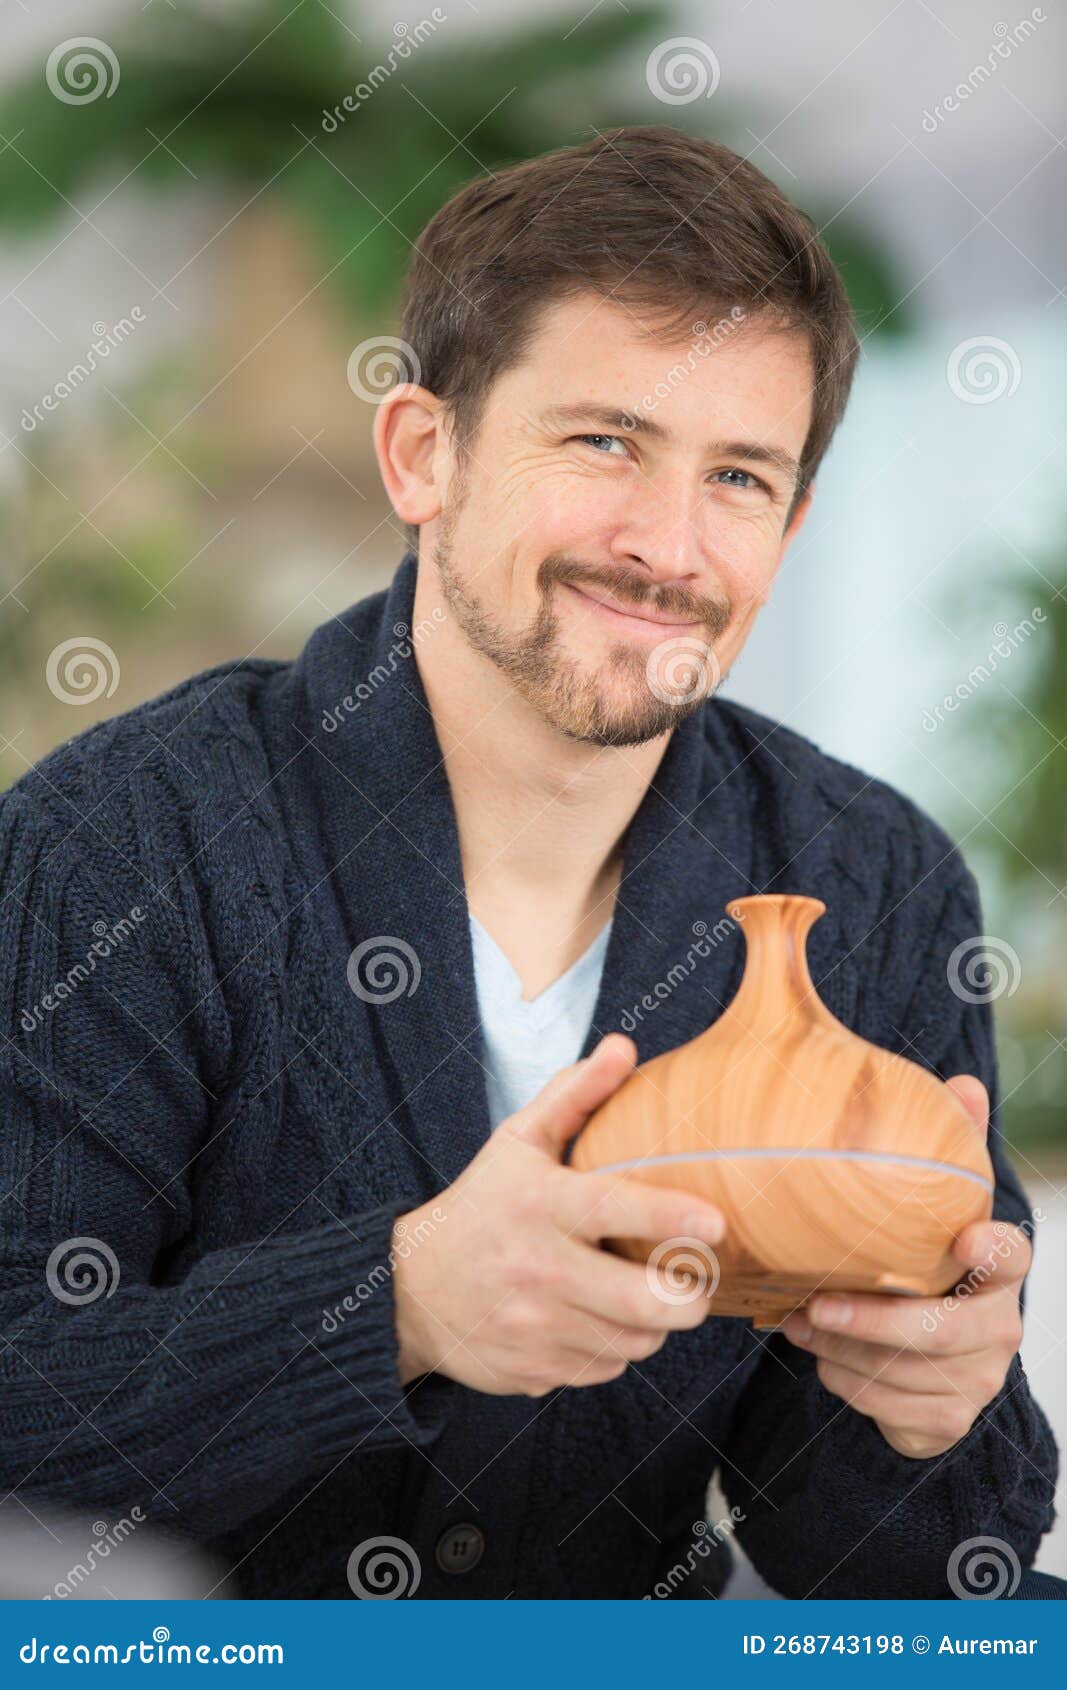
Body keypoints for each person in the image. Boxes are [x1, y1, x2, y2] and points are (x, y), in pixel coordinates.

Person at [0, 126, 1057, 1601]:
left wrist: (929, 1413)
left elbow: (911, 1576)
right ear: (423, 454)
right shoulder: (123, 842)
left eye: (739, 477)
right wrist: (395, 1309)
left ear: (792, 524)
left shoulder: (874, 882)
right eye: (605, 441)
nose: (669, 546)